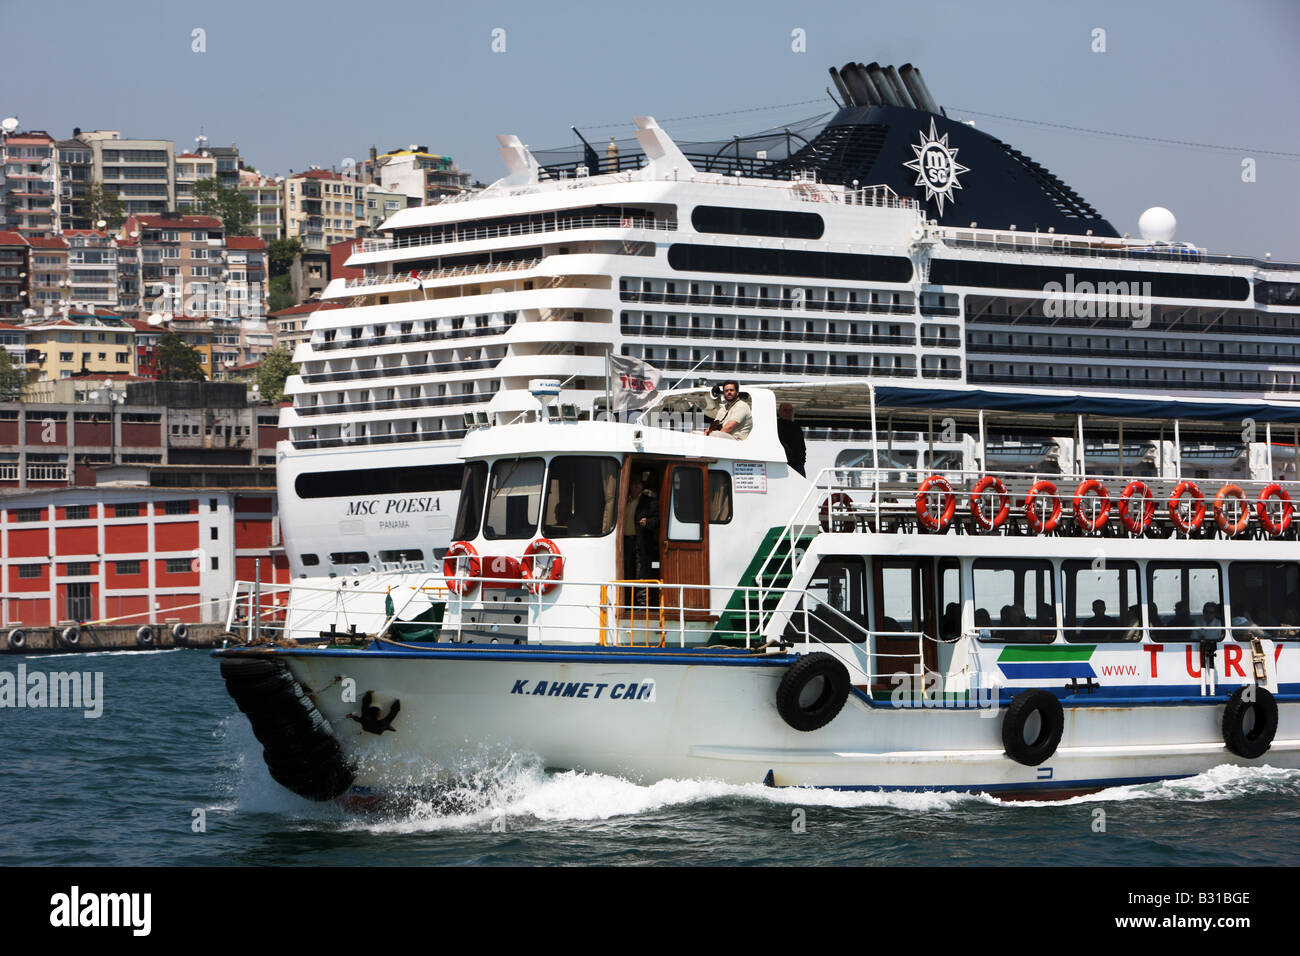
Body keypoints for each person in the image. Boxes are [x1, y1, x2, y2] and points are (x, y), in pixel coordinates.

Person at [632, 475, 660, 608]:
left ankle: (642, 603)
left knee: (641, 571)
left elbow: (657, 520)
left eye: (639, 484)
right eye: (634, 484)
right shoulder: (626, 500)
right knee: (630, 570)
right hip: (628, 541)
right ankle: (629, 600)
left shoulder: (649, 502)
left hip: (642, 542)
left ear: (642, 486)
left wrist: (647, 522)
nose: (636, 487)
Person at [776, 402, 806, 475]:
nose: (788, 412)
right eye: (785, 410)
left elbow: (802, 445)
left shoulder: (796, 427)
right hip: (781, 464)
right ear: (779, 412)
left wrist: (802, 460)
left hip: (798, 465)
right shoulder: (775, 426)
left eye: (790, 410)